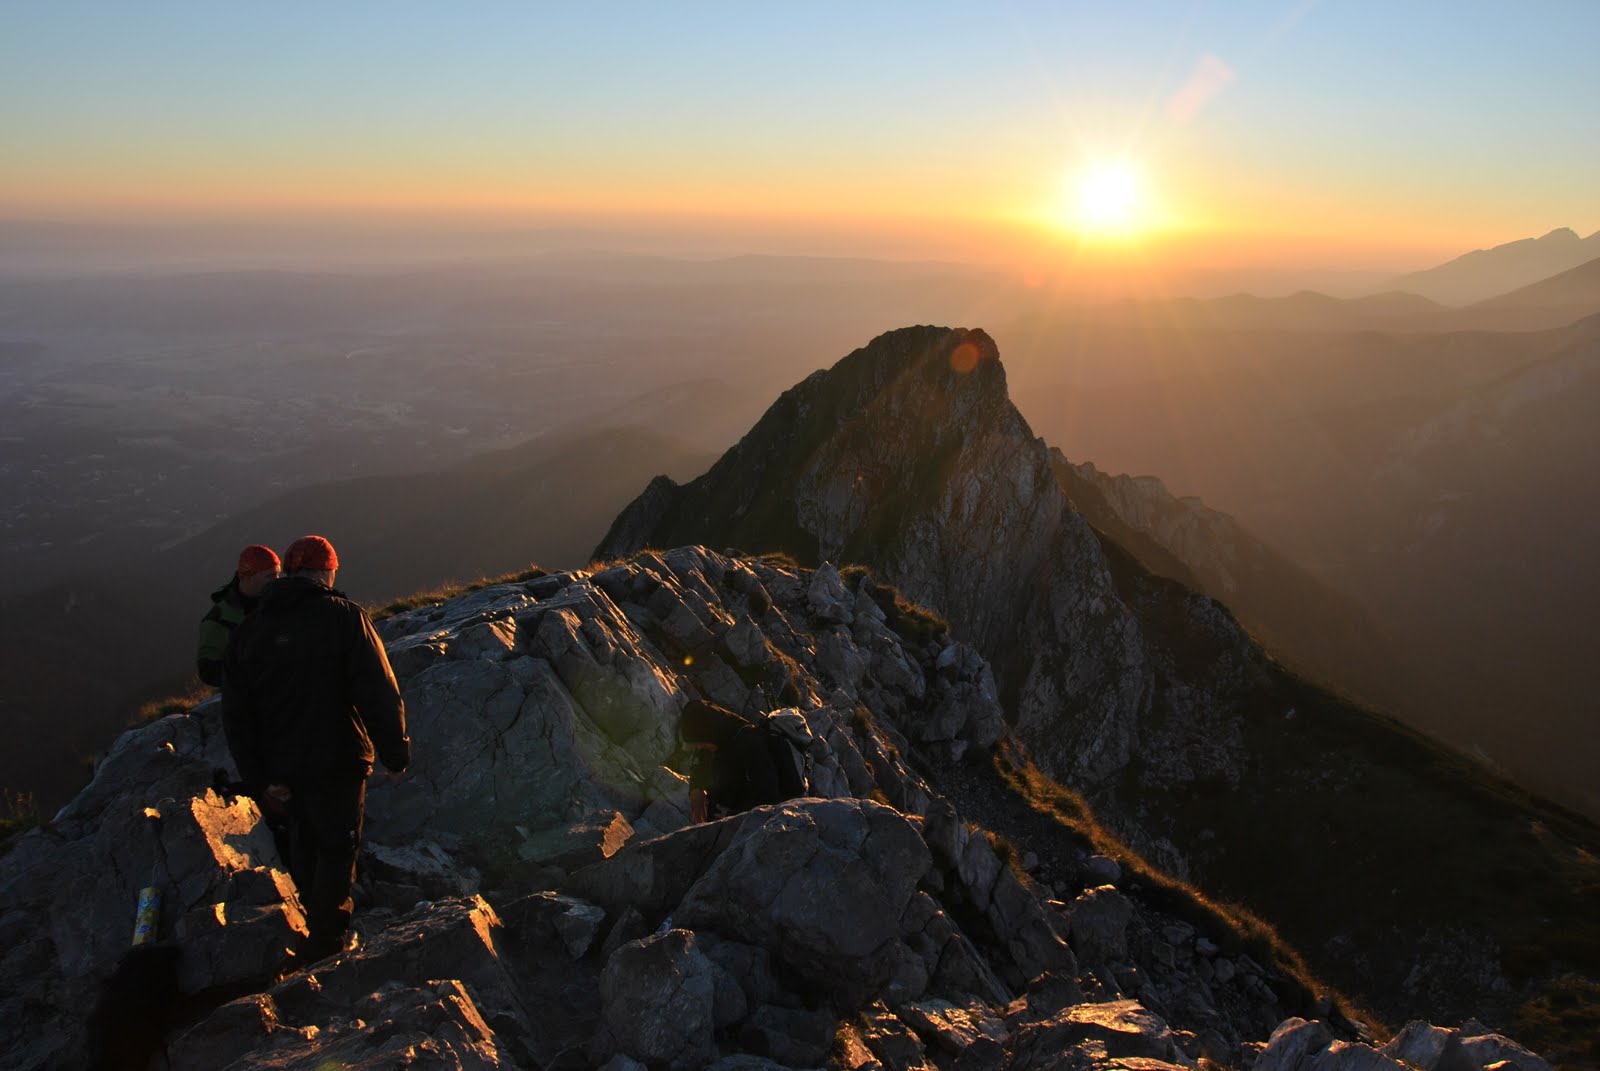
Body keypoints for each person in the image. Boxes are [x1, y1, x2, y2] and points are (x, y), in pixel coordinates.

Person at [222, 534, 410, 962]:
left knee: (303, 844)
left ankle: (308, 927)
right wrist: (395, 754)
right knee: (337, 849)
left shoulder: (249, 630)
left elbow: (237, 715)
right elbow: (377, 690)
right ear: (328, 571)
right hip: (338, 759)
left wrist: (259, 778)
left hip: (281, 767)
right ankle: (326, 946)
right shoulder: (344, 617)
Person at [680, 699, 798, 823]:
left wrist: (734, 815)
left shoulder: (750, 745)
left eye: (702, 744)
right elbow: (700, 766)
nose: (699, 748)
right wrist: (696, 789)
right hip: (723, 820)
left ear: (710, 734)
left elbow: (769, 795)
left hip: (756, 823)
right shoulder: (714, 741)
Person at [196, 545, 280, 687]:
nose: (277, 580)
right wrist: (253, 675)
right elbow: (209, 671)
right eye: (270, 576)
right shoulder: (219, 619)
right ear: (249, 576)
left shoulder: (280, 603)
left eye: (277, 574)